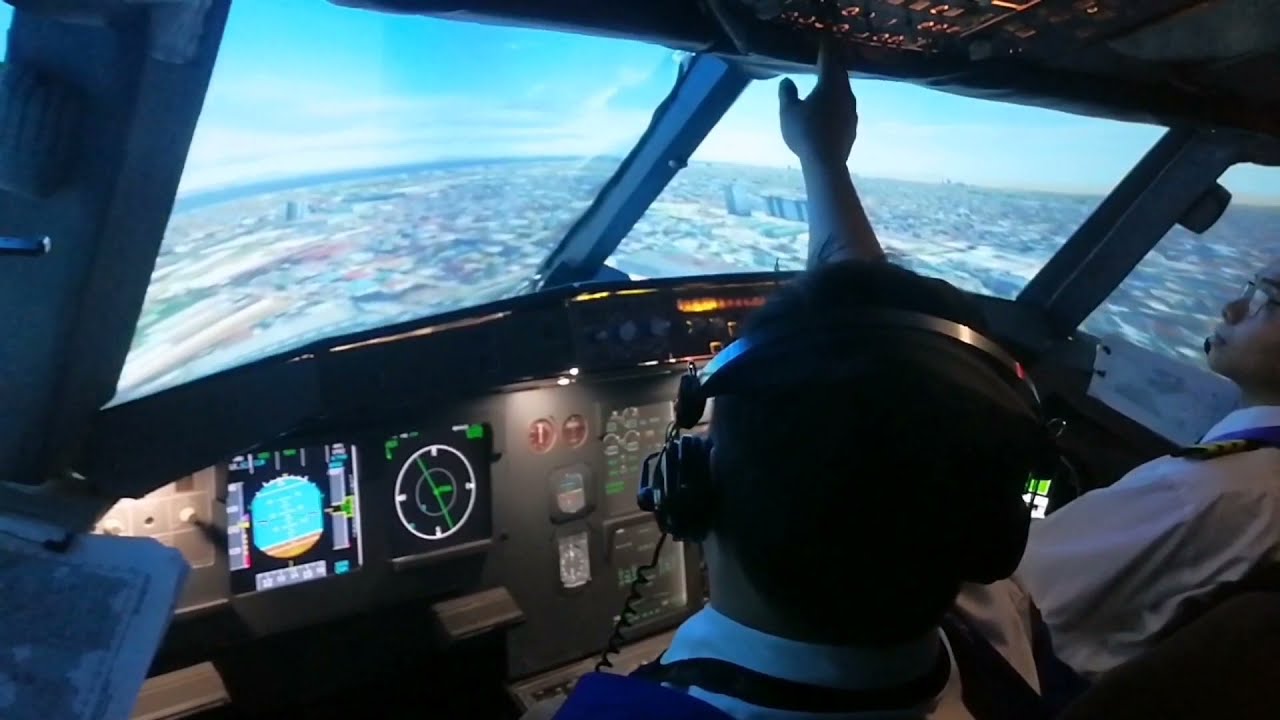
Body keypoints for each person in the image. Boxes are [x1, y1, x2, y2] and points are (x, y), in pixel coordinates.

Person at [527, 41, 1073, 720]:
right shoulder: (1001, 629)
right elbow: (890, 375)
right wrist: (824, 161)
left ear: (688, 492)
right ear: (998, 527)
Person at [1016, 262, 1280, 677]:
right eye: (1250, 288)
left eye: (1269, 300)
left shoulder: (1212, 489)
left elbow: (1009, 583)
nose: (1233, 308)